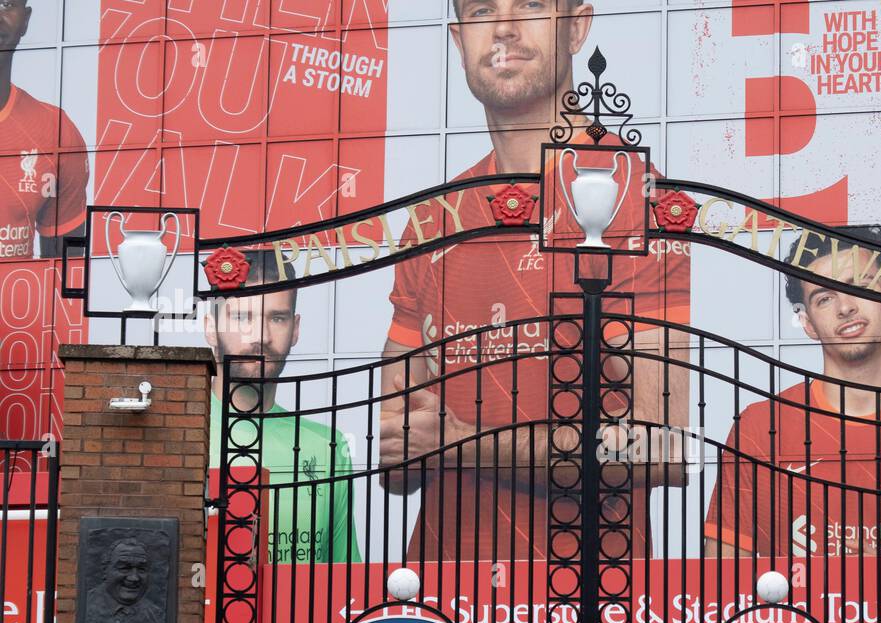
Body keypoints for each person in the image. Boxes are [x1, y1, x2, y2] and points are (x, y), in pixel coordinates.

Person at [377, 0, 690, 562]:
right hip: (443, 602)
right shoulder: (434, 218)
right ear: (458, 39)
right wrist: (421, 445)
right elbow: (399, 466)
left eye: (529, 5)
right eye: (481, 10)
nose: (503, 27)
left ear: (577, 26)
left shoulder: (640, 200)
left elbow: (659, 448)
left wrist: (458, 443)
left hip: (593, 598)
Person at [703, 226, 881, 559]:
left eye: (860, 286)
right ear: (809, 323)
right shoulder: (761, 427)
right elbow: (720, 576)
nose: (845, 307)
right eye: (824, 297)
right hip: (798, 613)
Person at [206, 249, 359, 564]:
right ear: (211, 328)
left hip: (301, 614)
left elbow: (343, 580)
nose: (260, 336)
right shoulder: (184, 431)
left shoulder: (327, 446)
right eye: (242, 317)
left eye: (276, 318)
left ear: (296, 329)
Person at [0, 0, 87, 259]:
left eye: (7, 3)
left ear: (25, 21)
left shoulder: (55, 132)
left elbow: (66, 278)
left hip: (18, 299)